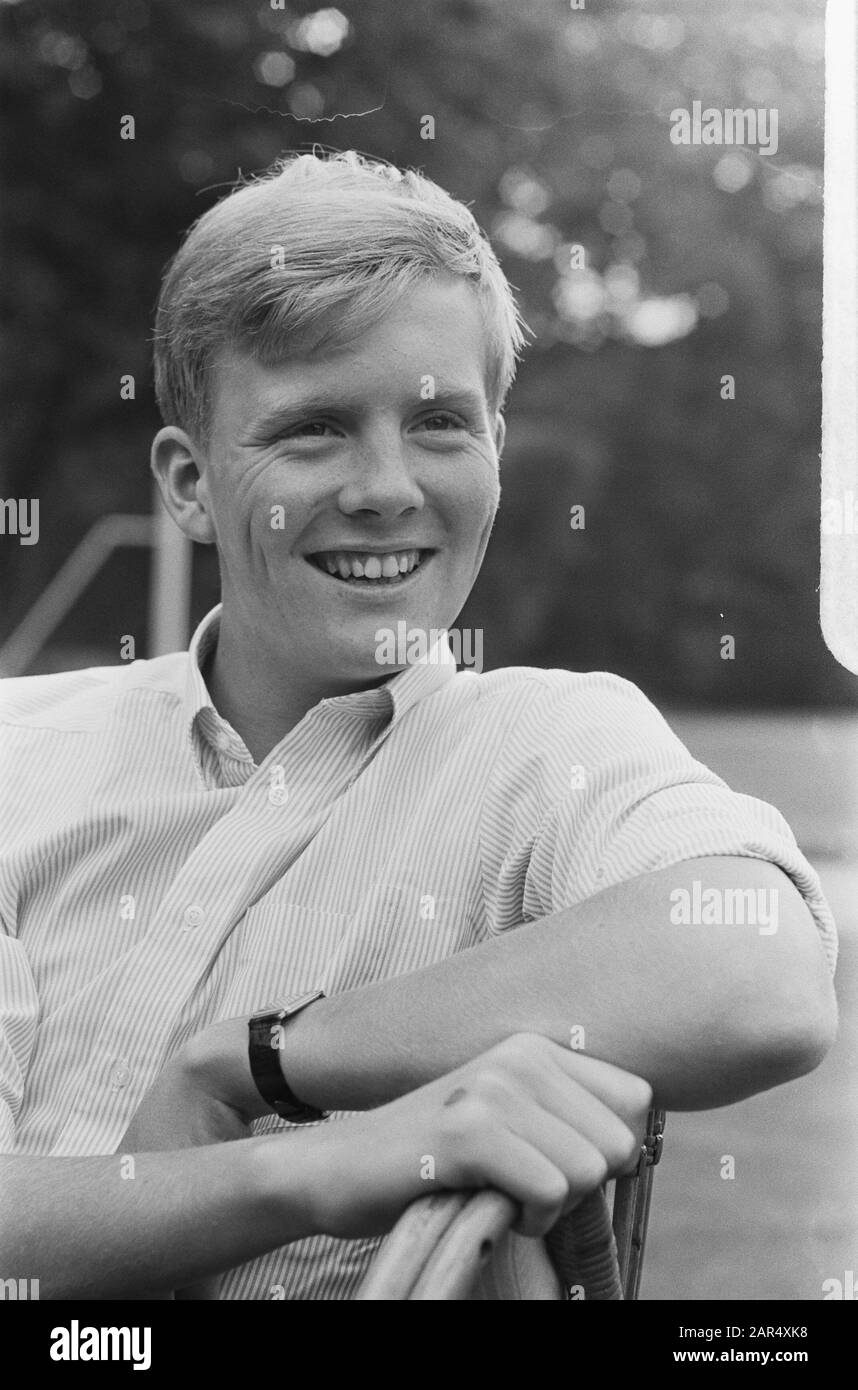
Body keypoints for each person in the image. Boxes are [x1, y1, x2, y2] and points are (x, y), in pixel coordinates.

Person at [0, 151, 838, 1300]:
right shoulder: (15, 750)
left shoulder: (552, 743)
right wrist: (322, 1165)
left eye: (441, 421)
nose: (388, 485)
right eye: (314, 430)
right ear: (191, 483)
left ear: (496, 449)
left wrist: (259, 1059)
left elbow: (761, 969)